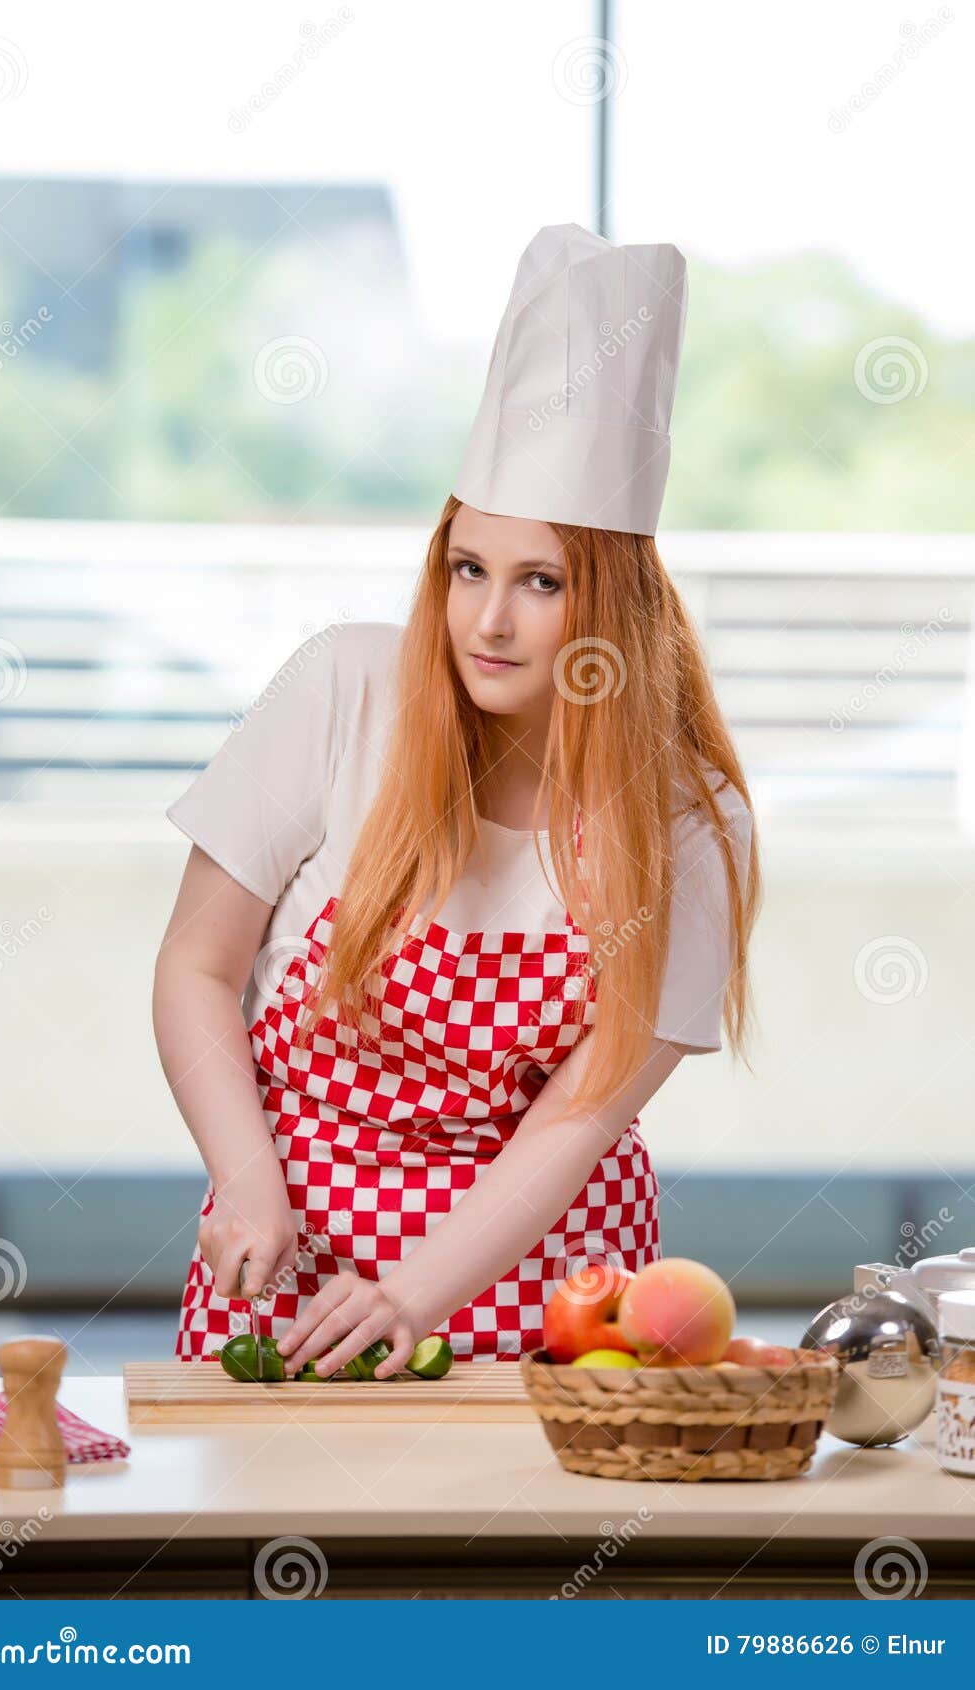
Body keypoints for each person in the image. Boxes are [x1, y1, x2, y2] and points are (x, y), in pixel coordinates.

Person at [153, 224, 761, 1377]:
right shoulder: (342, 691)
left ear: (614, 611)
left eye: (541, 582)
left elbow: (578, 1117)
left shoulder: (690, 821)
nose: (488, 621)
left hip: (553, 1305)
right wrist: (244, 1178)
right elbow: (197, 965)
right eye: (468, 571)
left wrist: (409, 1296)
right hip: (290, 1268)